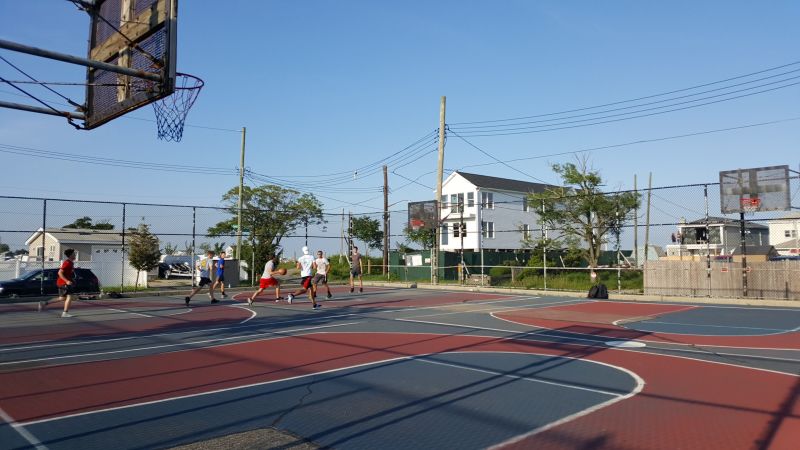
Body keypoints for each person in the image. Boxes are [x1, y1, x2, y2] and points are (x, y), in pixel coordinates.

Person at [40, 248, 77, 317]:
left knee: (62, 298)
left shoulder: (71, 263)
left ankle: (44, 303)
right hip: (64, 283)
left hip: (61, 283)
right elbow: (60, 272)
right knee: (69, 296)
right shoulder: (67, 263)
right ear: (71, 255)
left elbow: (67, 272)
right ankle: (65, 313)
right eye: (74, 254)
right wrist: (67, 281)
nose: (75, 255)